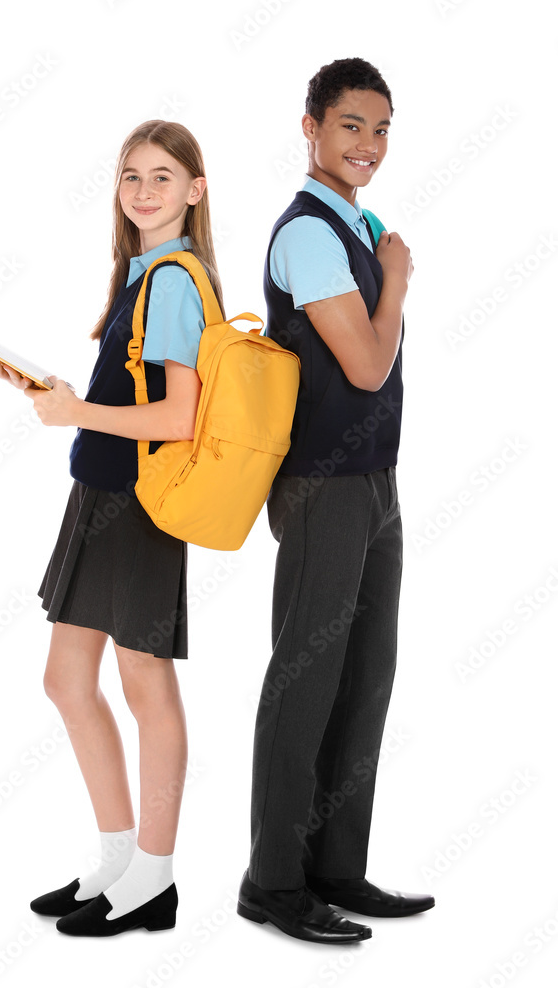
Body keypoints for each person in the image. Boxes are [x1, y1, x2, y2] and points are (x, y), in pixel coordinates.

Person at [0, 120, 224, 938]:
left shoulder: (176, 281)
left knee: (145, 684)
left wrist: (73, 413)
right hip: (101, 495)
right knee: (67, 680)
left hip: (142, 508)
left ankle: (155, 875)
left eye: (163, 176)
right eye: (130, 176)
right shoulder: (141, 273)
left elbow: (182, 417)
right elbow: (131, 399)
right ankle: (120, 857)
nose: (144, 190)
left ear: (195, 189)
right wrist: (55, 391)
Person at [237, 58, 434, 944]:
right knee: (305, 676)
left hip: (375, 481)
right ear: (310, 125)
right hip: (322, 484)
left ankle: (336, 866)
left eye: (382, 128)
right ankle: (273, 880)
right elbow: (364, 363)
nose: (369, 144)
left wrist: (384, 269)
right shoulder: (311, 235)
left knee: (366, 676)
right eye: (352, 124)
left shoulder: (359, 224)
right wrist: (394, 282)